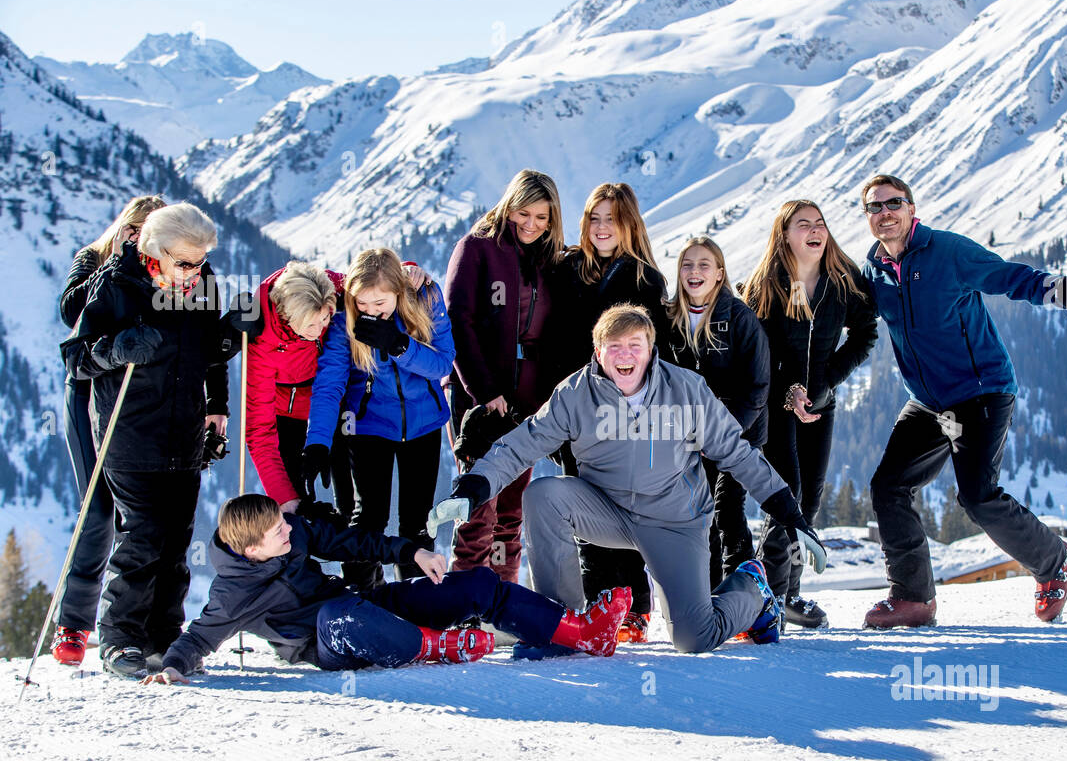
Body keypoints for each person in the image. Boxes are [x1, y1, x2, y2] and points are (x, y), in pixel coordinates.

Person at [435, 305, 828, 656]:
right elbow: (524, 443)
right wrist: (476, 484)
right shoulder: (575, 394)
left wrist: (789, 514)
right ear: (598, 352)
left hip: (674, 519)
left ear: (651, 349)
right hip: (606, 509)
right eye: (614, 346)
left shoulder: (686, 390)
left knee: (694, 637)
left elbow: (738, 453)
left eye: (635, 345)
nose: (625, 355)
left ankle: (750, 590)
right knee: (543, 495)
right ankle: (563, 627)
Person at [856, 174, 1067, 627]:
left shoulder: (948, 251)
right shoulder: (873, 271)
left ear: (911, 208)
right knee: (888, 487)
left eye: (893, 203)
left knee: (978, 497)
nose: (884, 213)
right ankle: (913, 598)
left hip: (980, 392)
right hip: (927, 403)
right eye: (874, 207)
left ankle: (1053, 560)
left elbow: (1014, 279)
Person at [140, 493, 632, 684]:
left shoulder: (290, 534)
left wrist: (409, 553)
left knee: (477, 584)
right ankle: (439, 647)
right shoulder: (232, 595)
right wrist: (170, 668)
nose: (290, 535)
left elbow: (352, 541)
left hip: (364, 606)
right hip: (329, 642)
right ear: (251, 550)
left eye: (285, 527)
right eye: (278, 535)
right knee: (336, 616)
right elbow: (198, 637)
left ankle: (580, 633)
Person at [63, 202, 252, 678]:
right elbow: (77, 358)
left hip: (183, 432)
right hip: (130, 433)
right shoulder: (116, 284)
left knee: (175, 544)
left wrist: (230, 334)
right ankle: (120, 640)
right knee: (142, 540)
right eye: (184, 262)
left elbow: (207, 351)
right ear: (153, 250)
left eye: (201, 260)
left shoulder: (201, 283)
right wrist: (118, 348)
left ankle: (164, 638)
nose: (194, 272)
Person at [742, 200, 877, 629]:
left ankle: (791, 594)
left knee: (810, 499)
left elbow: (866, 333)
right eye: (804, 225)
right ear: (785, 235)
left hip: (820, 405)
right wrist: (789, 392)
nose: (816, 231)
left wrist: (823, 383)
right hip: (777, 406)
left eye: (820, 224)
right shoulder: (768, 284)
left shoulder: (842, 279)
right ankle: (768, 598)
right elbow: (758, 355)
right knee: (788, 496)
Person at [51, 193, 165, 666]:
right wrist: (113, 262)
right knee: (96, 506)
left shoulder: (163, 273)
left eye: (149, 232)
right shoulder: (93, 259)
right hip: (87, 390)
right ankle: (73, 623)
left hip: (135, 399)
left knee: (135, 509)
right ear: (124, 226)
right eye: (134, 228)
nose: (139, 238)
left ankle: (131, 624)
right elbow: (71, 312)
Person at [550, 182, 667, 641]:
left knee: (620, 504)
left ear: (629, 223)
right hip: (570, 404)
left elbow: (652, 353)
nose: (601, 227)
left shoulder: (643, 279)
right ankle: (600, 601)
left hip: (622, 410)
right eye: (594, 218)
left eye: (611, 218)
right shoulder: (569, 268)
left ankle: (633, 605)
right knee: (580, 504)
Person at [301, 249, 454, 589]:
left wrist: (401, 346)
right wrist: (317, 444)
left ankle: (416, 607)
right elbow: (329, 385)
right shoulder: (344, 320)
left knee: (417, 523)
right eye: (362, 304)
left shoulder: (426, 297)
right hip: (368, 426)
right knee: (368, 519)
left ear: (399, 292)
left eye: (379, 304)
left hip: (423, 425)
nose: (369, 312)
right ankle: (364, 601)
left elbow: (443, 363)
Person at [444, 169, 565, 585]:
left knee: (512, 506)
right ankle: (465, 597)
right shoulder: (477, 249)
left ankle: (503, 597)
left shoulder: (549, 260)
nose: (531, 224)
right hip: (478, 395)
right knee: (479, 504)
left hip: (529, 397)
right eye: (523, 213)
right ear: (508, 206)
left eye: (542, 217)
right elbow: (459, 321)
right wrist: (485, 392)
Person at [659, 235, 769, 589]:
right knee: (696, 514)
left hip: (739, 433)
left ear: (720, 274)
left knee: (727, 509)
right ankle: (704, 597)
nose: (694, 272)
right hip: (690, 437)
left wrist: (723, 433)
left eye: (704, 265)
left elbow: (757, 385)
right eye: (687, 265)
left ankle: (745, 595)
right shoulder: (668, 318)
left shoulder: (738, 317)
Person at [244, 261, 353, 521]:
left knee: (349, 495)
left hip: (331, 398)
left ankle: (359, 557)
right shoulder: (263, 338)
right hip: (286, 410)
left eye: (324, 319)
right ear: (286, 317)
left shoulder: (326, 284)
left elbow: (375, 279)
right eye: (309, 327)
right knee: (295, 500)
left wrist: (408, 270)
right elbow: (259, 432)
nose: (319, 332)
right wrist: (285, 498)